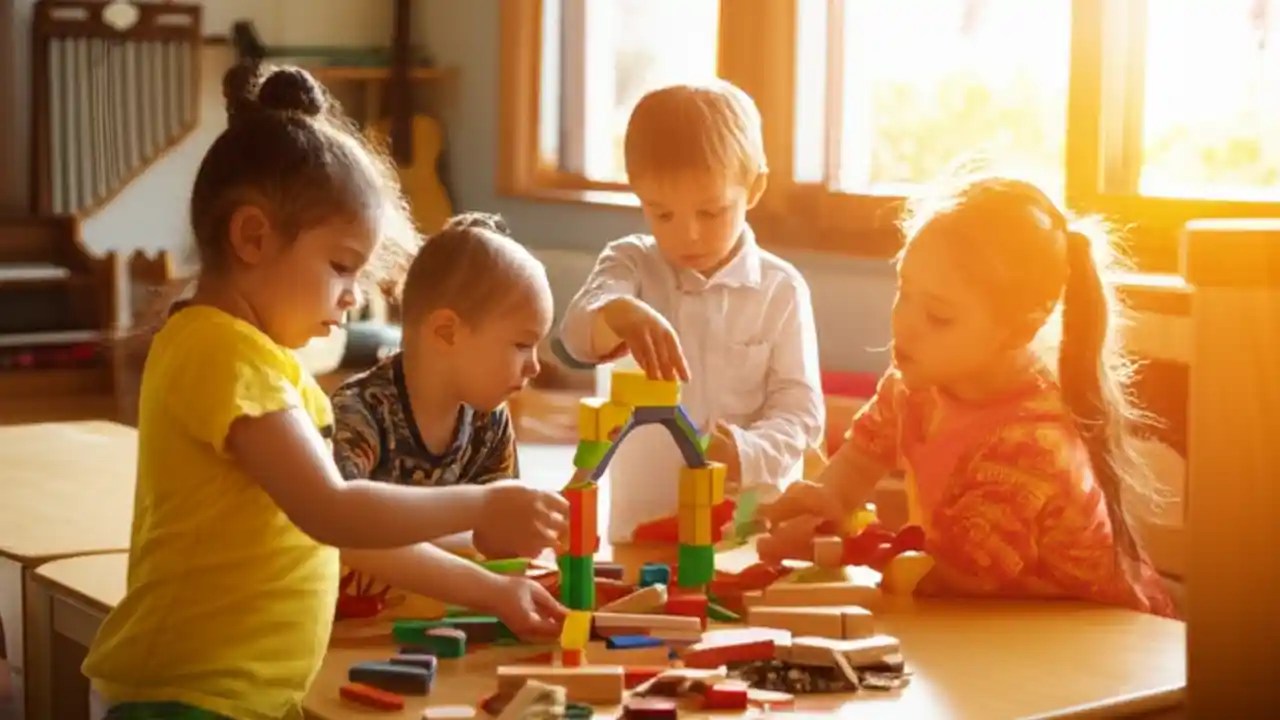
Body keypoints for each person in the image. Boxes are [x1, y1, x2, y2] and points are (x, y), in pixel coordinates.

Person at [82, 64, 567, 720]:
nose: (354, 295)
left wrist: (493, 592)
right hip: (184, 699)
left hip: (246, 697)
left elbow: (351, 538)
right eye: (341, 265)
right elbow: (333, 510)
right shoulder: (219, 352)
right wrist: (479, 506)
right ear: (253, 237)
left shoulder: (267, 368)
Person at [761, 173, 1176, 617]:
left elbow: (954, 577)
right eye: (904, 292)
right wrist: (827, 502)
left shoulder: (1031, 445)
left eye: (938, 316)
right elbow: (862, 455)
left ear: (1020, 328)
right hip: (1006, 628)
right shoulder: (913, 387)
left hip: (1105, 650)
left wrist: (840, 548)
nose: (904, 322)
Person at [558, 80, 824, 543]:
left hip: (747, 529)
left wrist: (747, 451)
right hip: (643, 526)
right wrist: (619, 312)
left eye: (712, 211)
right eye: (662, 215)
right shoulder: (630, 264)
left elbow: (802, 411)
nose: (689, 235)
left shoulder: (781, 290)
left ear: (755, 188)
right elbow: (577, 337)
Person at [332, 211, 557, 562]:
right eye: (522, 344)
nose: (535, 366)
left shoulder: (490, 421)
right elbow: (338, 532)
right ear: (447, 332)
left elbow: (498, 538)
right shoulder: (359, 411)